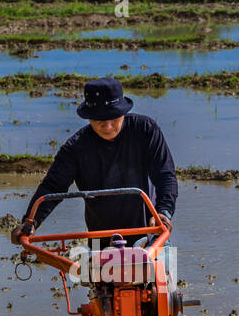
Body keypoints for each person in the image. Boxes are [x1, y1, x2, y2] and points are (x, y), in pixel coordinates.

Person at [11, 79, 177, 244]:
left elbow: (165, 174)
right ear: (88, 117)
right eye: (99, 120)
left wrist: (164, 212)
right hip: (101, 239)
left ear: (123, 113)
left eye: (113, 118)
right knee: (89, 270)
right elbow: (53, 187)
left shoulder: (145, 130)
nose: (108, 126)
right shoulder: (76, 147)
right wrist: (30, 221)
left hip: (151, 233)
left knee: (161, 268)